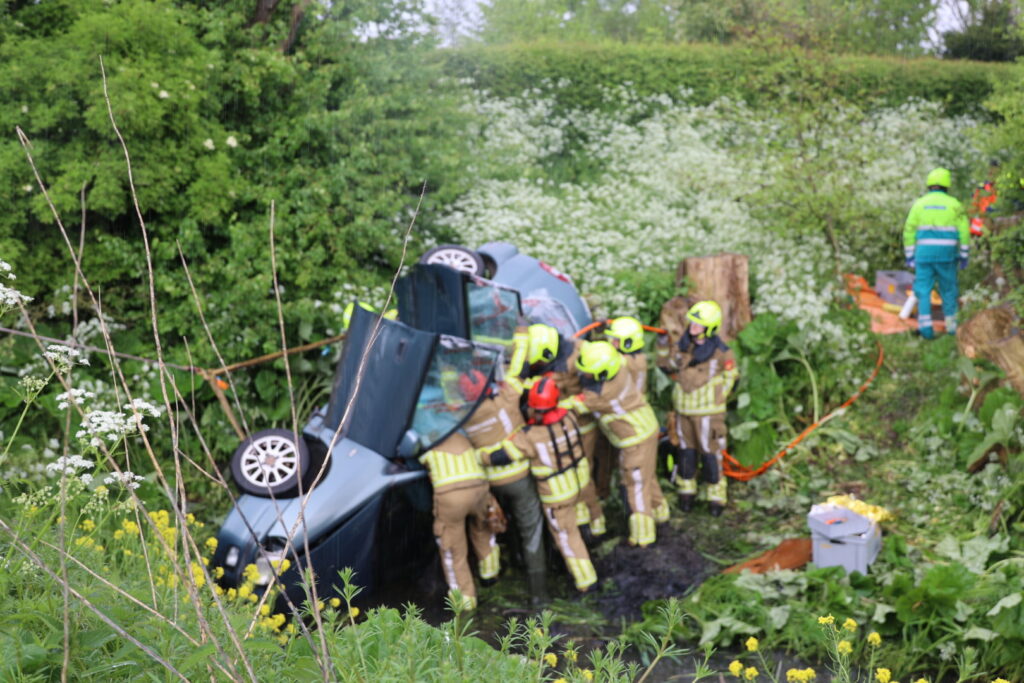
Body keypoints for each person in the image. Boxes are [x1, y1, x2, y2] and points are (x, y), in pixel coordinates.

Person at [459, 369, 549, 605]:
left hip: (489, 484)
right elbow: (518, 379)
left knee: (496, 523)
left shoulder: (463, 416)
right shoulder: (505, 398)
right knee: (531, 531)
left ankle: (510, 562)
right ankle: (538, 594)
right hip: (519, 477)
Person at [566, 341, 667, 547]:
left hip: (635, 439)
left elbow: (569, 405)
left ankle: (643, 538)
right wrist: (573, 341)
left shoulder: (601, 395)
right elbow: (591, 349)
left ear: (602, 374)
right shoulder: (617, 363)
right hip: (646, 427)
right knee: (647, 476)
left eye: (589, 373)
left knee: (635, 485)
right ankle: (661, 514)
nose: (584, 375)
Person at [510, 376, 598, 592]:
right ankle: (591, 539)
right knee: (578, 517)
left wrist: (481, 456)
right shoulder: (570, 417)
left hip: (556, 494)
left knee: (567, 537)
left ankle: (586, 582)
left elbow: (502, 455)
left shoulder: (530, 435)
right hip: (578, 481)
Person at [521, 324, 607, 536]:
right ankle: (586, 520)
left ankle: (594, 521)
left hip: (580, 425)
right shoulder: (578, 347)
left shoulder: (561, 371)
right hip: (567, 423)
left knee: (582, 474)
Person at [663, 301, 738, 516]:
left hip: (707, 413)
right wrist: (663, 345)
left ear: (710, 327)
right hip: (684, 410)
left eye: (699, 324)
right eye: (692, 323)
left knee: (710, 453)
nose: (693, 327)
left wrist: (718, 396)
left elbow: (731, 376)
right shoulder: (683, 345)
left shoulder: (721, 351)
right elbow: (669, 366)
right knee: (686, 452)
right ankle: (687, 492)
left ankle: (716, 496)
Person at [418, 431, 500, 610]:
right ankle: (490, 574)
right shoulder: (463, 436)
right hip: (479, 490)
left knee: (454, 548)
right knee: (483, 529)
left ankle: (465, 599)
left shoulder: (427, 444)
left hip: (451, 499)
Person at [902, 167, 970, 339]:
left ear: (929, 184)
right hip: (947, 256)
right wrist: (964, 254)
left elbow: (909, 230)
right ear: (947, 185)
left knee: (923, 291)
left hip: (924, 255)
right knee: (948, 291)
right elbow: (964, 232)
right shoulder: (954, 204)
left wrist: (909, 255)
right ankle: (952, 328)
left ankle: (925, 329)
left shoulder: (920, 204)